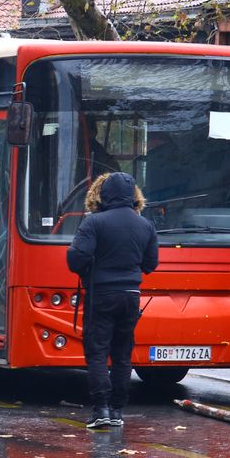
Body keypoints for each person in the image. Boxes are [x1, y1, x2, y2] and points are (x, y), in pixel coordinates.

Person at [67, 172, 158, 428]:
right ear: (133, 196)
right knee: (122, 354)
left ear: (103, 194)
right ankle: (117, 410)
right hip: (131, 296)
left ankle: (101, 410)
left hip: (102, 295)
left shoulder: (94, 223)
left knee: (97, 352)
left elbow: (76, 260)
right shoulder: (145, 225)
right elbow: (151, 264)